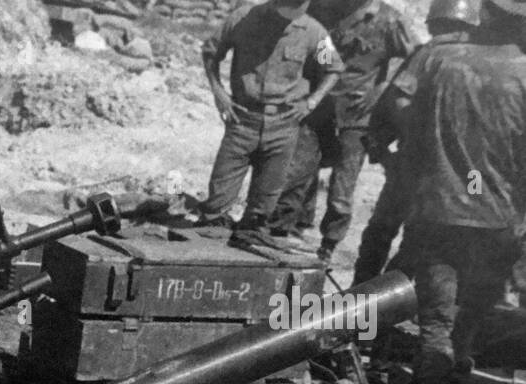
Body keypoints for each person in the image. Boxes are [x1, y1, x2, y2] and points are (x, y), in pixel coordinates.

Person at [399, 0, 526, 384]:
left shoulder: (440, 60)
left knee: (435, 323)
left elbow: (396, 111)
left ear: (485, 15)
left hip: (437, 214)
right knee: (475, 326)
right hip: (496, 223)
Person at [269, 0, 415, 262]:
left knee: (341, 188)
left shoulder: (390, 20)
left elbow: (415, 58)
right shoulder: (322, 9)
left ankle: (328, 245)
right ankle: (284, 228)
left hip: (358, 115)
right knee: (297, 170)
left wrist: (381, 90)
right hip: (319, 106)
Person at [350, 0, 481, 285]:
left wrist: (389, 146)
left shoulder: (428, 54)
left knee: (384, 232)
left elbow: (396, 100)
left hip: (415, 164)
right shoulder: (481, 61)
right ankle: (378, 301)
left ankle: (363, 298)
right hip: (451, 172)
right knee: (416, 240)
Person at [197, 0, 343, 246]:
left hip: (284, 126)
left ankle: (245, 259)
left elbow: (334, 68)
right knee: (216, 204)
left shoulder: (314, 31)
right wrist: (218, 92)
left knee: (261, 209)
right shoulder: (243, 18)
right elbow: (210, 52)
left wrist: (311, 102)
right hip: (242, 120)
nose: (294, 17)